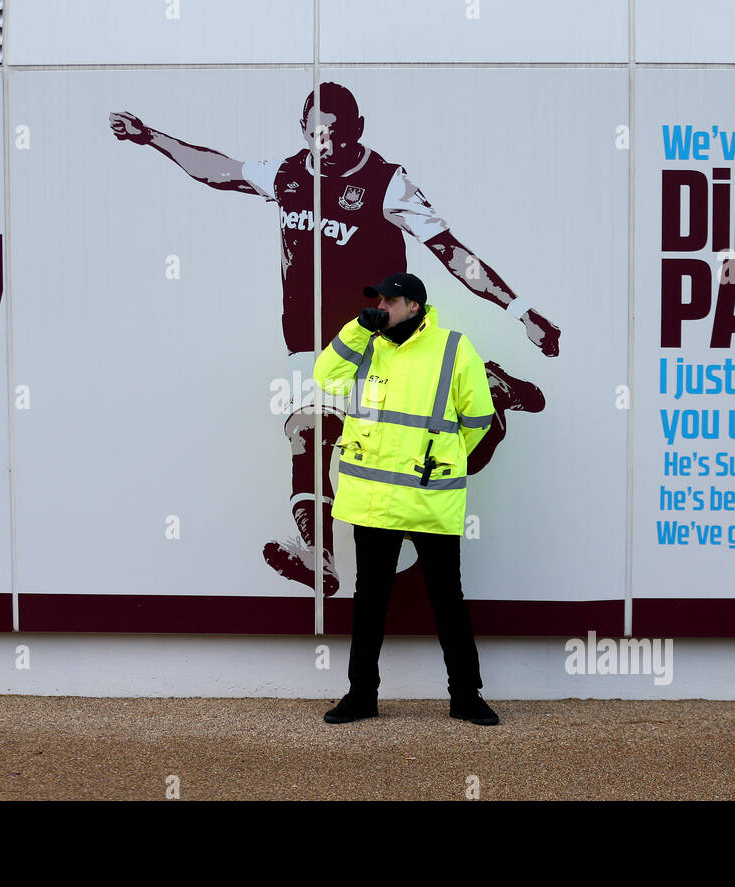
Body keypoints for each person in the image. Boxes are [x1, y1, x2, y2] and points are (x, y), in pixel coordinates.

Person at [110, 82, 556, 599]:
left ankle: (493, 388)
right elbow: (220, 170)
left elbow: (451, 252)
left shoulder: (388, 184)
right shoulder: (288, 174)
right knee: (306, 431)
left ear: (358, 130)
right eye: (316, 134)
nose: (325, 146)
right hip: (312, 345)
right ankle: (317, 556)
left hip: (382, 344)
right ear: (303, 131)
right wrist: (151, 138)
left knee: (446, 457)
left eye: (337, 136)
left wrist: (519, 309)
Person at [313, 272, 499, 725]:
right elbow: (324, 377)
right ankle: (361, 696)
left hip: (429, 496)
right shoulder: (365, 343)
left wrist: (444, 458)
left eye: (389, 300)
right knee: (369, 601)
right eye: (377, 297)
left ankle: (466, 696)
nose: (381, 304)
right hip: (375, 501)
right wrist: (358, 327)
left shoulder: (454, 347)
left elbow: (478, 420)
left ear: (414, 306)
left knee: (447, 600)